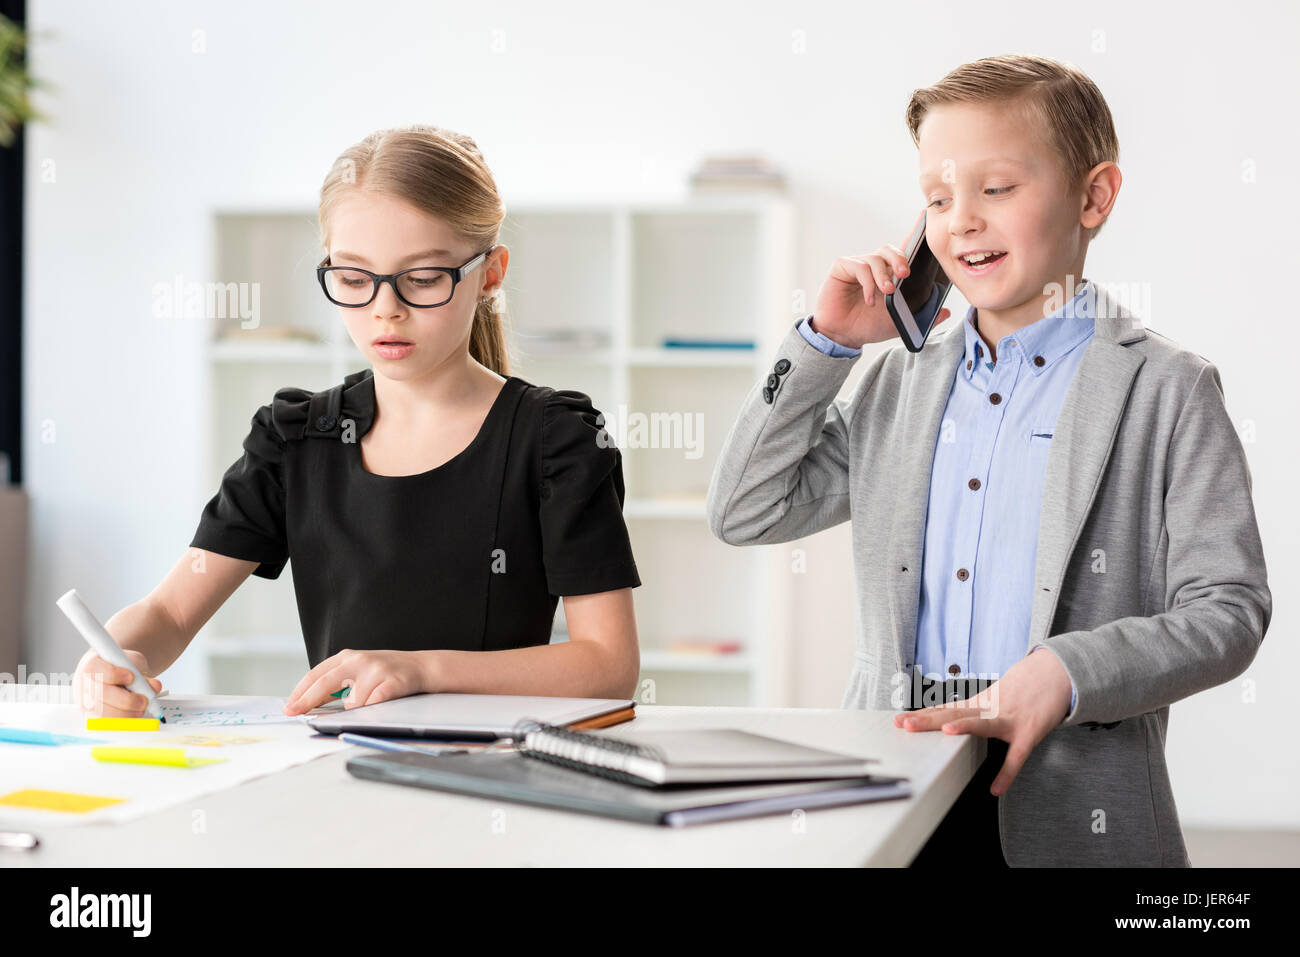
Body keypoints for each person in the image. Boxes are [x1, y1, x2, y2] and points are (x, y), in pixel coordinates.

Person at [705, 55, 1270, 867]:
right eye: (936, 197)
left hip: (1078, 806)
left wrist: (1067, 672)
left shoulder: (1167, 388)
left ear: (1094, 196)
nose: (960, 220)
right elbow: (746, 508)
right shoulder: (898, 382)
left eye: (996, 189)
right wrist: (824, 343)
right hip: (897, 786)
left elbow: (1229, 607)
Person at [74, 125, 641, 719]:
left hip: (490, 774)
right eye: (352, 279)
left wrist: (420, 670)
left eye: (422, 279)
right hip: (335, 770)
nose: (384, 309)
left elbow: (607, 666)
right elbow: (168, 614)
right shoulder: (295, 438)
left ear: (490, 275)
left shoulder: (555, 440)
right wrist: (117, 654)